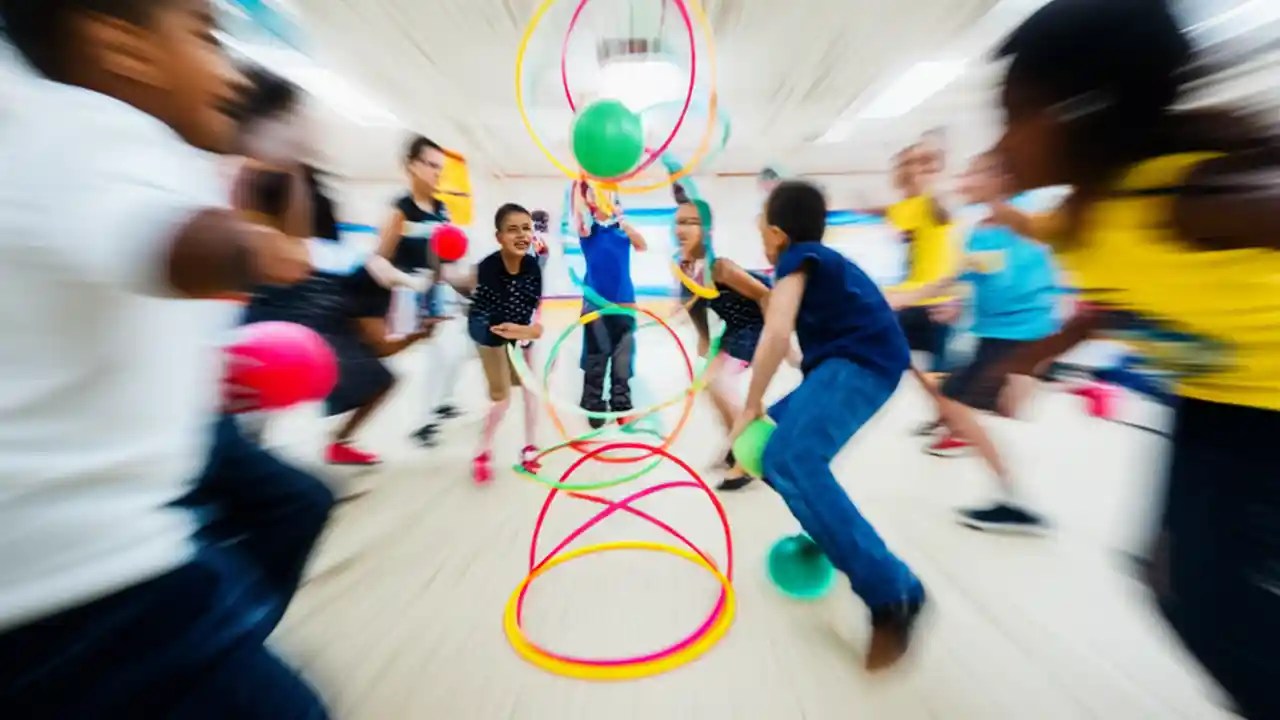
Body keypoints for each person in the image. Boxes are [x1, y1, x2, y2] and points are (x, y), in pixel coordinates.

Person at [0, 0, 330, 716]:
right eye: (206, 34)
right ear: (123, 48)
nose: (230, 67)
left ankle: (230, 625)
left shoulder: (50, 130)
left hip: (72, 545)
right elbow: (164, 241)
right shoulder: (90, 132)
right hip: (83, 575)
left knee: (295, 505)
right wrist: (250, 248)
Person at [989, 0, 1280, 715]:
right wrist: (1040, 352)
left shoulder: (1185, 196)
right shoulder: (1087, 219)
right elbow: (1119, 297)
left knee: (1210, 607)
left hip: (1266, 414)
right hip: (1214, 406)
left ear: (1077, 114)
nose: (1001, 142)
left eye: (1013, 115)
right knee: (1172, 584)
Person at [731, 181, 926, 671]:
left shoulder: (798, 259)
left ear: (777, 234)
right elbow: (789, 330)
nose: (760, 238)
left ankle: (894, 594)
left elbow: (776, 332)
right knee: (770, 454)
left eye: (760, 229)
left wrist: (750, 405)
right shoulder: (816, 264)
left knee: (789, 455)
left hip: (860, 363)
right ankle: (828, 531)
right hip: (851, 363)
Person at [888, 150, 1058, 535]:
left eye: (976, 171)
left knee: (959, 399)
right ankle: (1014, 495)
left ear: (1002, 177)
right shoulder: (978, 230)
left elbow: (1043, 259)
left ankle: (1016, 498)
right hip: (993, 335)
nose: (966, 178)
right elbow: (964, 276)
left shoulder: (1027, 213)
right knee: (962, 400)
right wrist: (951, 302)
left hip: (1023, 335)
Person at [359, 135, 465, 447]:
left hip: (436, 289)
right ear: (412, 166)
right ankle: (423, 422)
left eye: (440, 167)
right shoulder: (400, 210)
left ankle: (440, 403)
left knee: (454, 350)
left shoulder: (442, 210)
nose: (437, 172)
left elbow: (445, 258)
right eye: (431, 165)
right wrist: (407, 283)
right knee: (435, 353)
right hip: (406, 293)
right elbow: (379, 258)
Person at [671, 197, 775, 491]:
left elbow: (765, 296)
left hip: (756, 327)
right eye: (679, 221)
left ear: (707, 230)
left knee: (720, 384)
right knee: (708, 384)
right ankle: (736, 444)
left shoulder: (720, 268)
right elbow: (694, 305)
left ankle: (747, 462)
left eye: (692, 222)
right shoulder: (686, 268)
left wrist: (773, 342)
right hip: (733, 330)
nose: (683, 228)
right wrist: (703, 339)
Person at [861, 144, 960, 380]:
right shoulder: (905, 208)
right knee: (886, 367)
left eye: (921, 163)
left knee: (935, 378)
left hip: (935, 304)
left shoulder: (934, 203)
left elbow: (944, 214)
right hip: (903, 301)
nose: (914, 170)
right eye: (906, 164)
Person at [463, 204, 545, 483]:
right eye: (513, 230)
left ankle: (530, 447)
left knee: (532, 389)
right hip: (488, 333)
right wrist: (531, 331)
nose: (522, 235)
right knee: (502, 400)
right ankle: (482, 450)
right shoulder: (488, 268)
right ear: (499, 237)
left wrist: (531, 330)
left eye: (526, 228)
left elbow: (533, 308)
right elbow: (498, 322)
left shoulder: (533, 265)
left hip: (517, 329)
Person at [573, 181, 648, 429]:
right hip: (595, 305)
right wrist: (581, 183)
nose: (606, 200)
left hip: (625, 302)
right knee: (597, 356)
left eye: (611, 197)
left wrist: (623, 221)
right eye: (599, 196)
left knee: (623, 358)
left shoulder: (622, 231)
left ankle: (621, 406)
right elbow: (578, 213)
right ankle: (593, 407)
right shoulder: (589, 230)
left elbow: (642, 246)